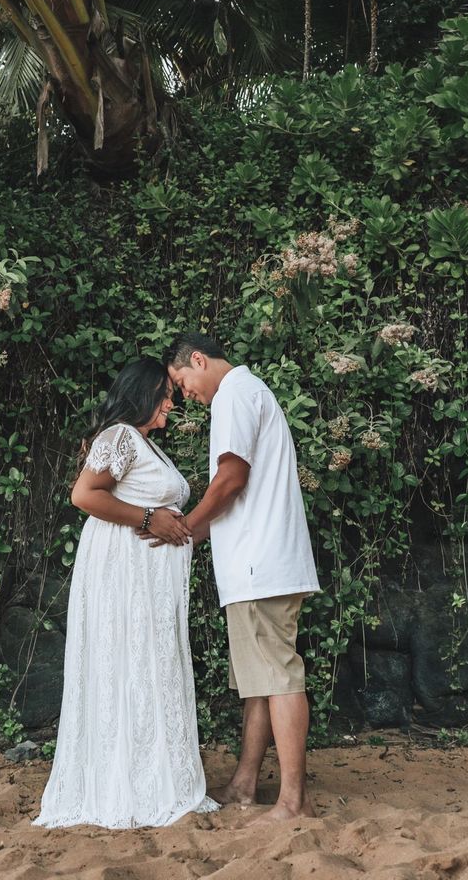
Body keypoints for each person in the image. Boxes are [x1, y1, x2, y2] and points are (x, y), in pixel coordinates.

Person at [33, 357, 219, 829]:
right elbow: (85, 495)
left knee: (147, 670)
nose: (172, 404)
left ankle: (150, 778)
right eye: (165, 394)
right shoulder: (119, 436)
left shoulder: (142, 443)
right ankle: (123, 785)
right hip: (122, 580)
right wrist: (146, 518)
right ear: (142, 393)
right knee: (128, 667)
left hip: (144, 583)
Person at [154, 331, 321, 823]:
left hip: (259, 566)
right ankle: (246, 785)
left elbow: (230, 478)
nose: (186, 395)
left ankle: (293, 801)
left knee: (280, 678)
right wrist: (194, 537)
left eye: (182, 382)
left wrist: (184, 529)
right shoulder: (249, 393)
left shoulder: (233, 395)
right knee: (258, 683)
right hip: (263, 564)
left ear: (199, 360)